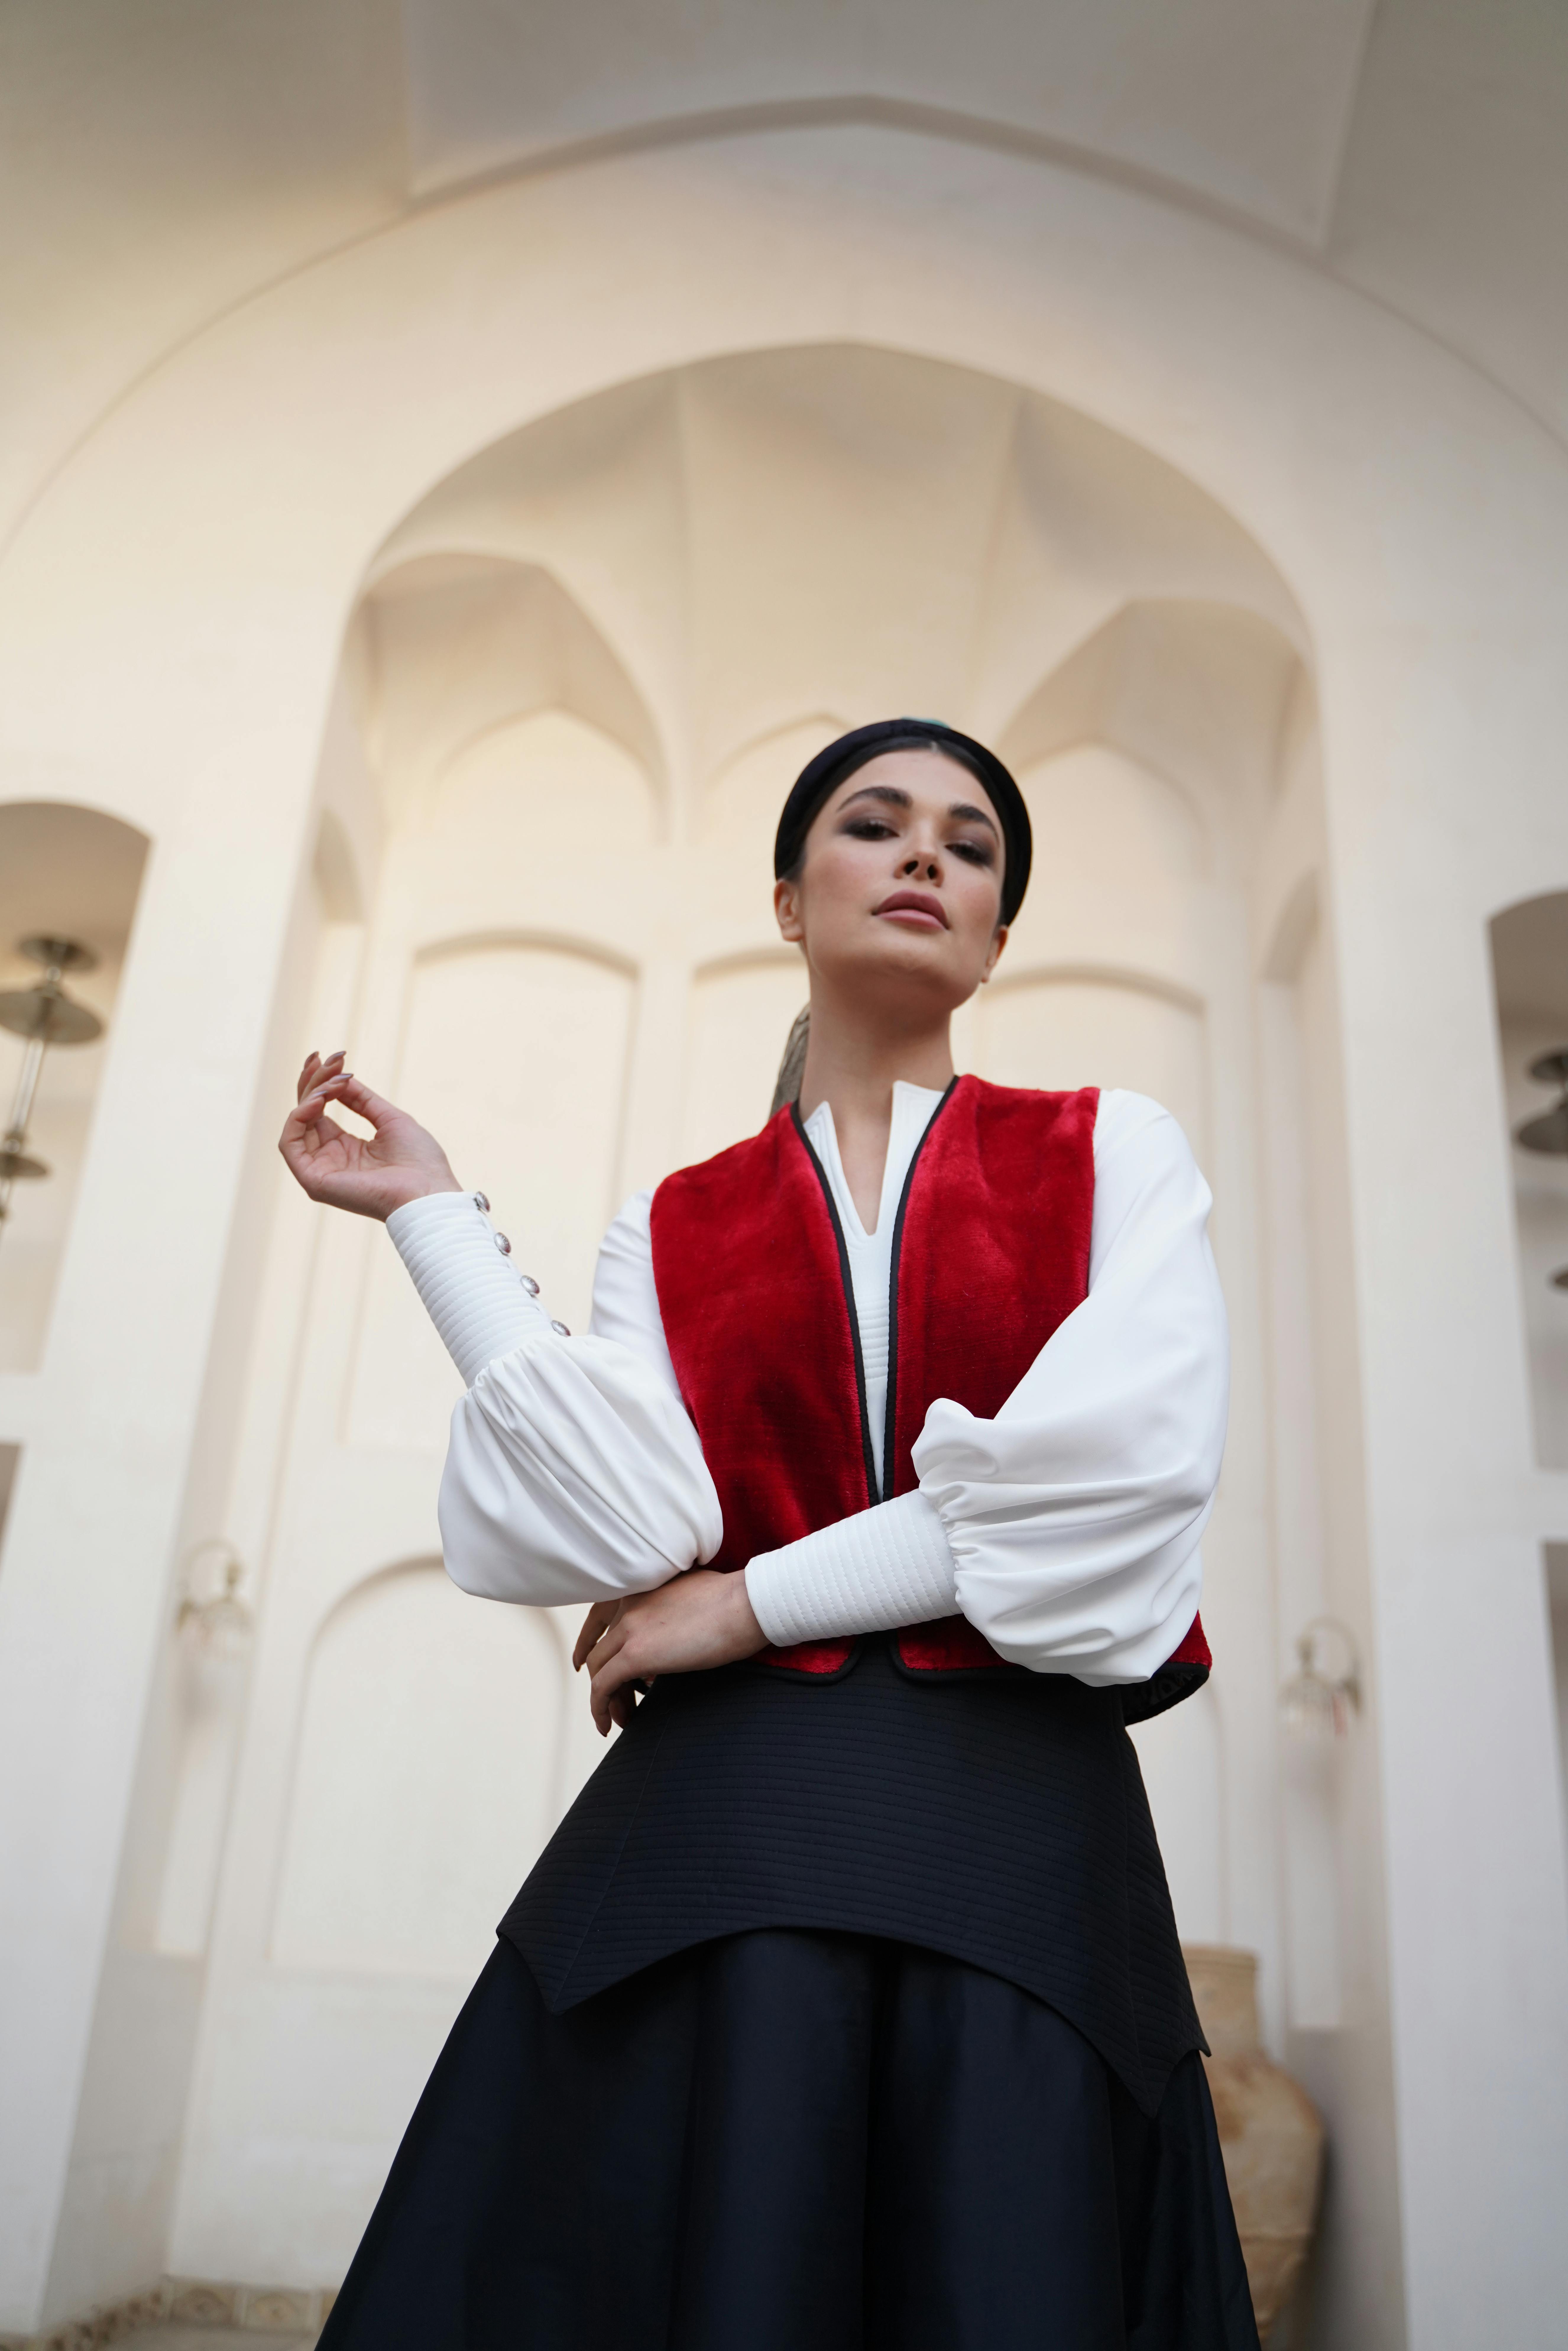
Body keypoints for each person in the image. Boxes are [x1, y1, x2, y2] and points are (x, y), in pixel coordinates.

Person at [279, 718, 1257, 2351]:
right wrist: (433, 1220)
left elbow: (1104, 1491)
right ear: (790, 901)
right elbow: (627, 1515)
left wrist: (746, 1607)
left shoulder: (1112, 1153)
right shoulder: (674, 1219)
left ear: (997, 934)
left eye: (971, 842)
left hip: (1014, 1831)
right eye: (875, 824)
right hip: (722, 1841)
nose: (927, 854)